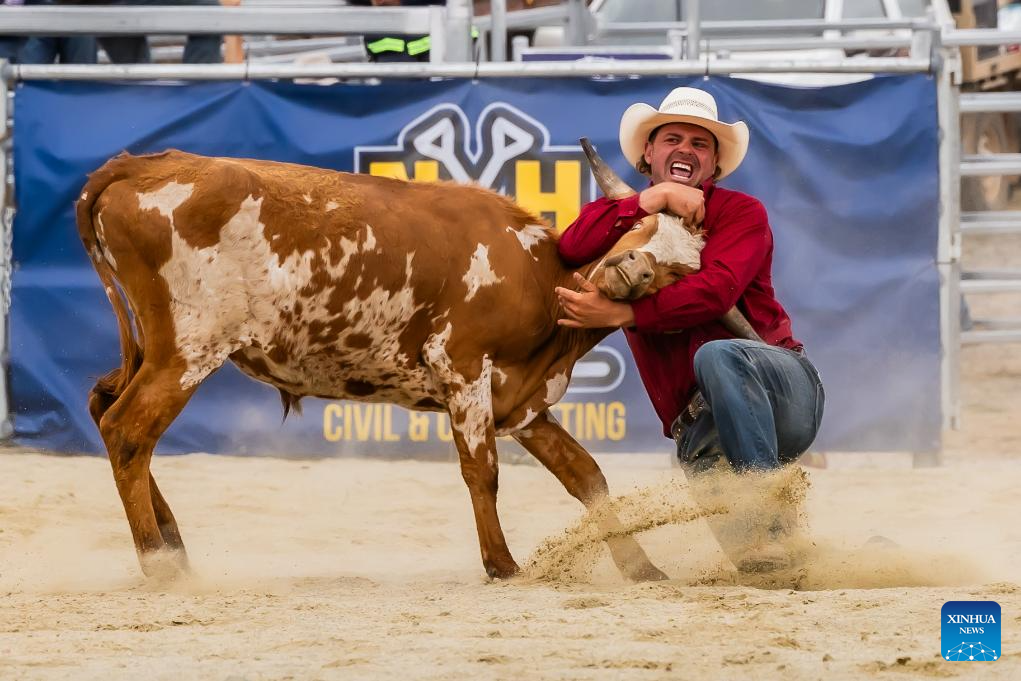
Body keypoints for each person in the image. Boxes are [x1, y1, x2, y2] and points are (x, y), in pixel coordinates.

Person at [555, 86, 825, 573]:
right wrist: (653, 199)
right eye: (672, 139)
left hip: (779, 387)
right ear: (648, 153)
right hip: (697, 429)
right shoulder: (620, 216)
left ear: (714, 163)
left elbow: (716, 291)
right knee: (769, 568)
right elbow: (572, 246)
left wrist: (626, 315)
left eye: (700, 143)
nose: (686, 149)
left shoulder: (742, 212)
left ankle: (765, 515)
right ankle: (857, 555)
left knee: (718, 356)